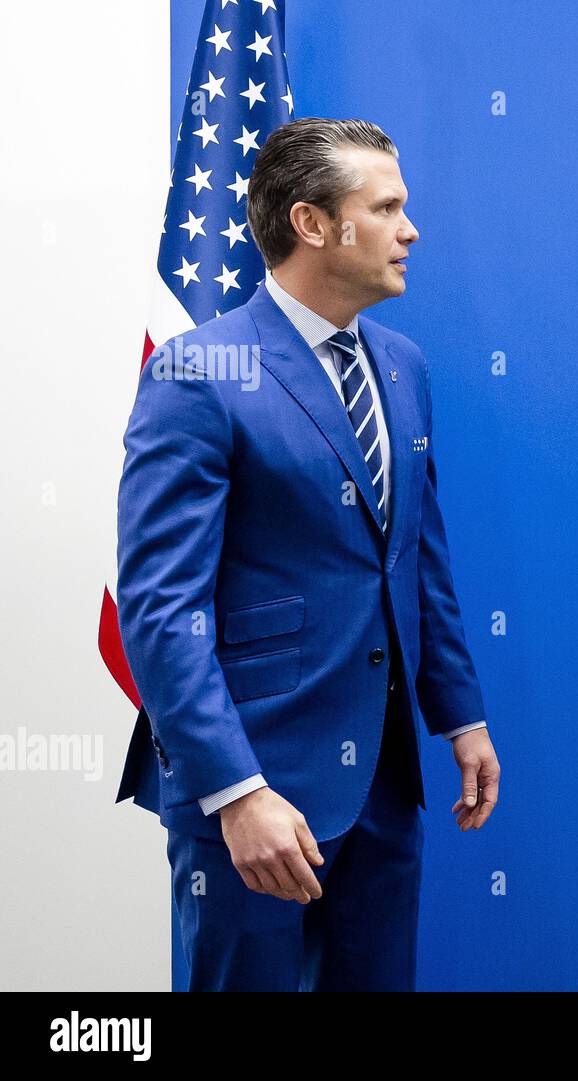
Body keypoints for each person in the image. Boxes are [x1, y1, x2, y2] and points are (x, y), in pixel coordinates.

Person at [115, 117, 500, 991]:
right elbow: (161, 609)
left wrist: (460, 716)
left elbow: (417, 558)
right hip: (253, 795)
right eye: (389, 206)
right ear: (314, 224)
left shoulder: (403, 366)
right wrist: (234, 792)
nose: (412, 230)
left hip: (384, 785)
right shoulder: (196, 374)